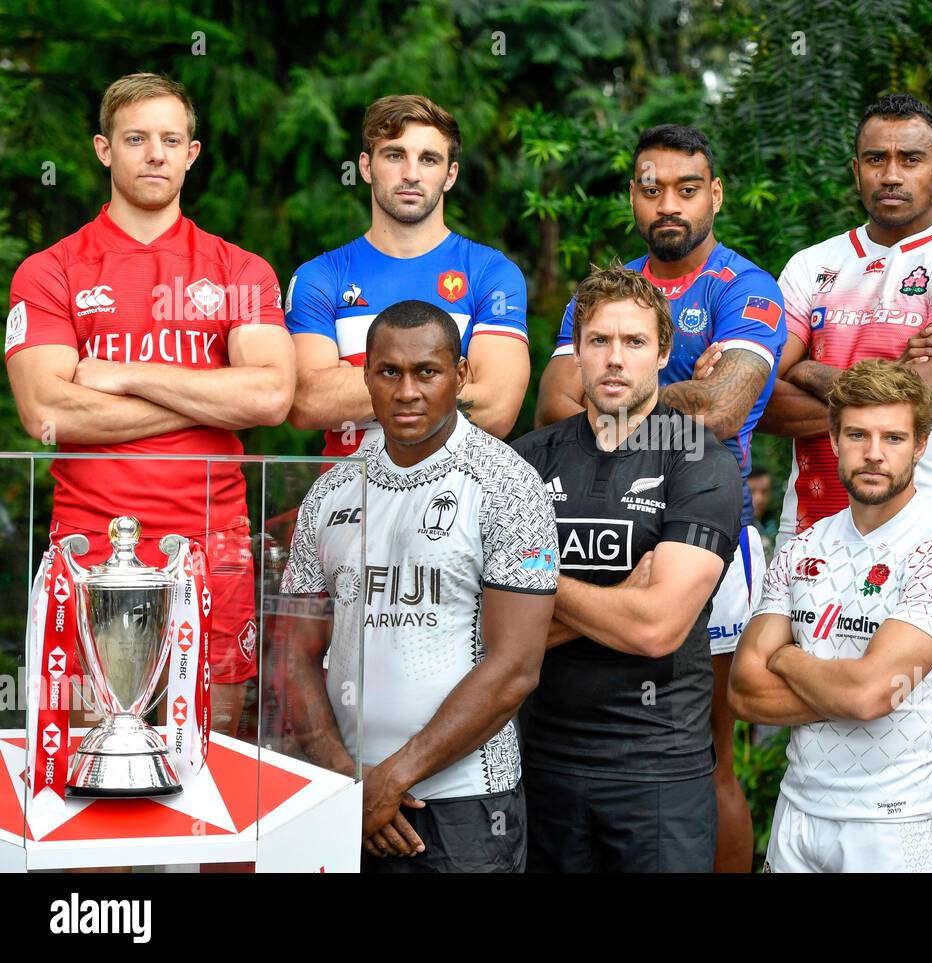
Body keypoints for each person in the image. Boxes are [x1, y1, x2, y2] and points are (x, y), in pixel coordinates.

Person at [4, 72, 294, 736]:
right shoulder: (51, 270)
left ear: (193, 154)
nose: (155, 154)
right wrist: (211, 397)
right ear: (105, 150)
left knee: (211, 769)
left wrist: (123, 373)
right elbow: (49, 411)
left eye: (171, 139)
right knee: (87, 769)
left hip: (211, 545)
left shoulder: (238, 270)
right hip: (90, 545)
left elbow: (272, 394)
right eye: (136, 139)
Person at [758, 92, 932, 867]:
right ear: (856, 167)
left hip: (914, 525)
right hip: (810, 522)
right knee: (814, 727)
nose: (890, 173)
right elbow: (759, 401)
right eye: (875, 158)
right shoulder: (811, 266)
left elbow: (912, 404)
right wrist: (866, 379)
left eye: (910, 158)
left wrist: (811, 367)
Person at [534, 125, 783, 872]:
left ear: (715, 194)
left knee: (707, 756)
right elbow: (554, 405)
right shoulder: (609, 294)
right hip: (588, 514)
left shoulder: (745, 284)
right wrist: (671, 383)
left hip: (703, 529)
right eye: (651, 188)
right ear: (633, 197)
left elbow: (724, 410)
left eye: (685, 188)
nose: (667, 203)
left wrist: (623, 395)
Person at [281, 300, 557, 873]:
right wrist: (348, 780)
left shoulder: (508, 484)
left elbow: (514, 668)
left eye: (427, 372)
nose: (407, 391)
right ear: (366, 377)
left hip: (466, 802)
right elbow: (292, 652)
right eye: (389, 373)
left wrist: (392, 781)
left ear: (459, 375)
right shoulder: (329, 493)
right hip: (343, 794)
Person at [513, 265, 742, 873]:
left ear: (663, 352)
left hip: (658, 772)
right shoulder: (526, 461)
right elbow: (488, 630)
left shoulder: (701, 460)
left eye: (635, 342)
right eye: (600, 341)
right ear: (577, 352)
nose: (616, 359)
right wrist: (623, 591)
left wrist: (537, 590)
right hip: (541, 764)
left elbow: (655, 629)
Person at [729, 360, 932, 872]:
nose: (873, 454)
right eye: (857, 435)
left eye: (892, 438)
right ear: (834, 437)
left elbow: (869, 694)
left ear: (920, 445)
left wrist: (785, 657)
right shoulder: (805, 544)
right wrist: (859, 691)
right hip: (797, 811)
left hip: (895, 823)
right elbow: (742, 691)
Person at [286, 95, 530, 448]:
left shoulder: (491, 274)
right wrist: (442, 380)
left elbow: (498, 408)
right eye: (395, 155)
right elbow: (306, 402)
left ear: (450, 174)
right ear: (366, 167)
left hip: (455, 497)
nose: (411, 174)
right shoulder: (320, 276)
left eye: (429, 159)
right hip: (354, 497)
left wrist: (353, 380)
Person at [747, 465, 777, 560]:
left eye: (764, 492)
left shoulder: (772, 529)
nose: (759, 499)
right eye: (751, 491)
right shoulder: (733, 532)